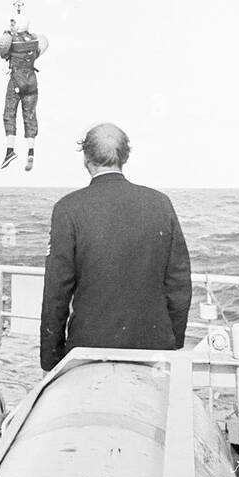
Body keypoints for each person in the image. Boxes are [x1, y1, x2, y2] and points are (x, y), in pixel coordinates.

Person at [40, 122, 192, 372]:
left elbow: (56, 292)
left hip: (88, 350)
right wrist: (171, 343)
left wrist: (51, 360)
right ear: (125, 156)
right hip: (153, 349)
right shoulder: (160, 204)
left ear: (86, 158)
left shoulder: (68, 209)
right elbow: (179, 284)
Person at [0, 2, 49, 172]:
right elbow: (43, 44)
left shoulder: (11, 40)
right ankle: (31, 151)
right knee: (30, 117)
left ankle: (10, 151)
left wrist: (8, 32)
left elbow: (3, 51)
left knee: (9, 114)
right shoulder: (34, 41)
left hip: (16, 82)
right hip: (32, 82)